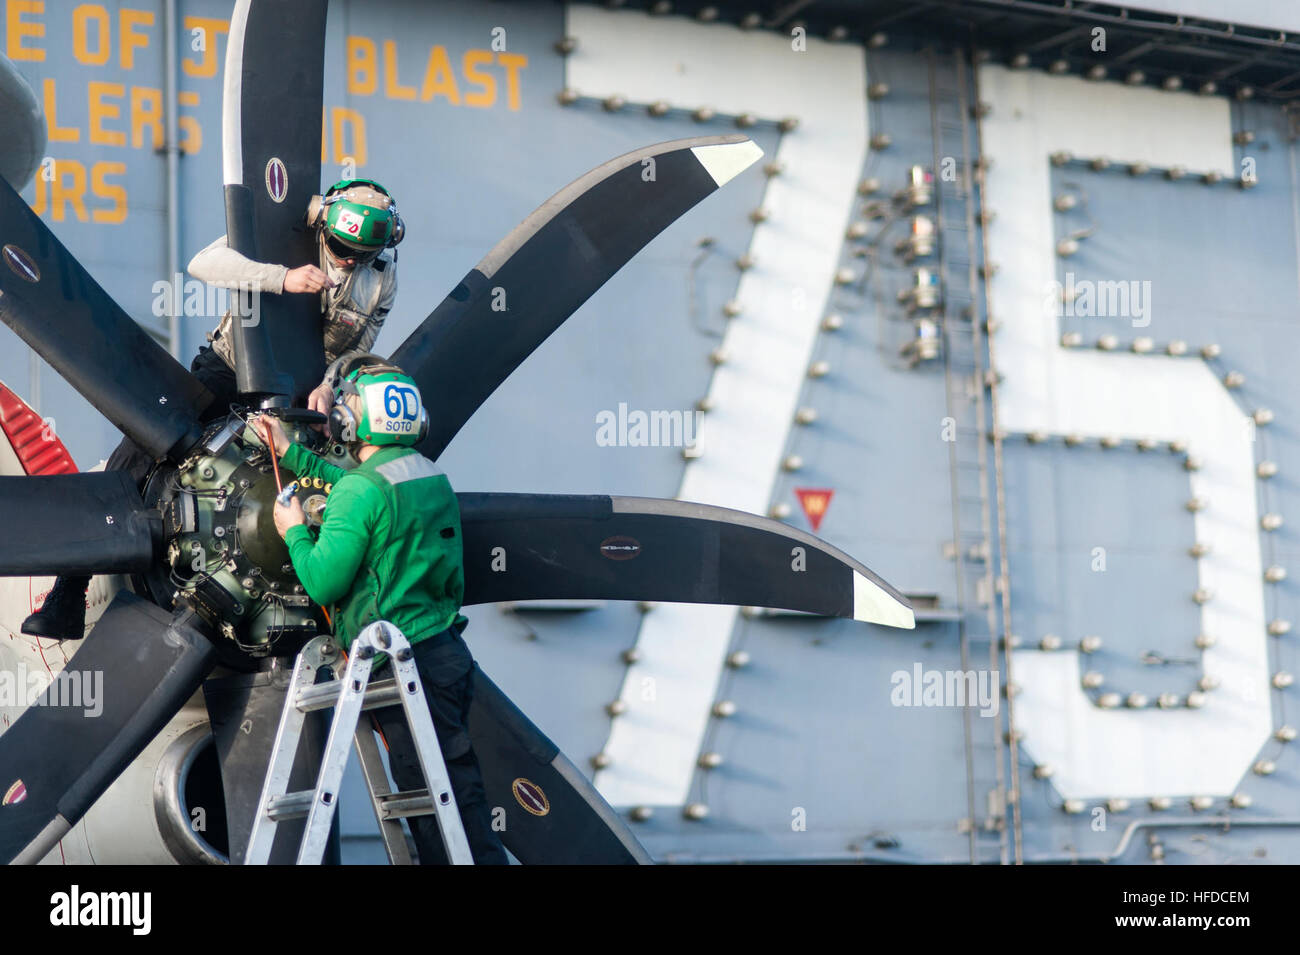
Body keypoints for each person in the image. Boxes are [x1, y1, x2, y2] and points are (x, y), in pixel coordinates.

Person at [22, 178, 402, 640]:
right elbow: (204, 264)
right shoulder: (280, 231)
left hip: (302, 391)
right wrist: (281, 278)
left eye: (358, 255)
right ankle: (69, 589)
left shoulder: (381, 278)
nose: (346, 261)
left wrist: (328, 382)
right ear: (323, 222)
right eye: (340, 247)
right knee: (141, 451)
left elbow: (361, 346)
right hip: (230, 368)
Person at [252, 359, 508, 866]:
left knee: (428, 805)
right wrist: (293, 454)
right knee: (461, 792)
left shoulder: (359, 492)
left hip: (398, 668)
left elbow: (325, 579)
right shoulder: (430, 477)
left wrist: (293, 530)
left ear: (351, 421)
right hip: (446, 653)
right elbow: (361, 486)